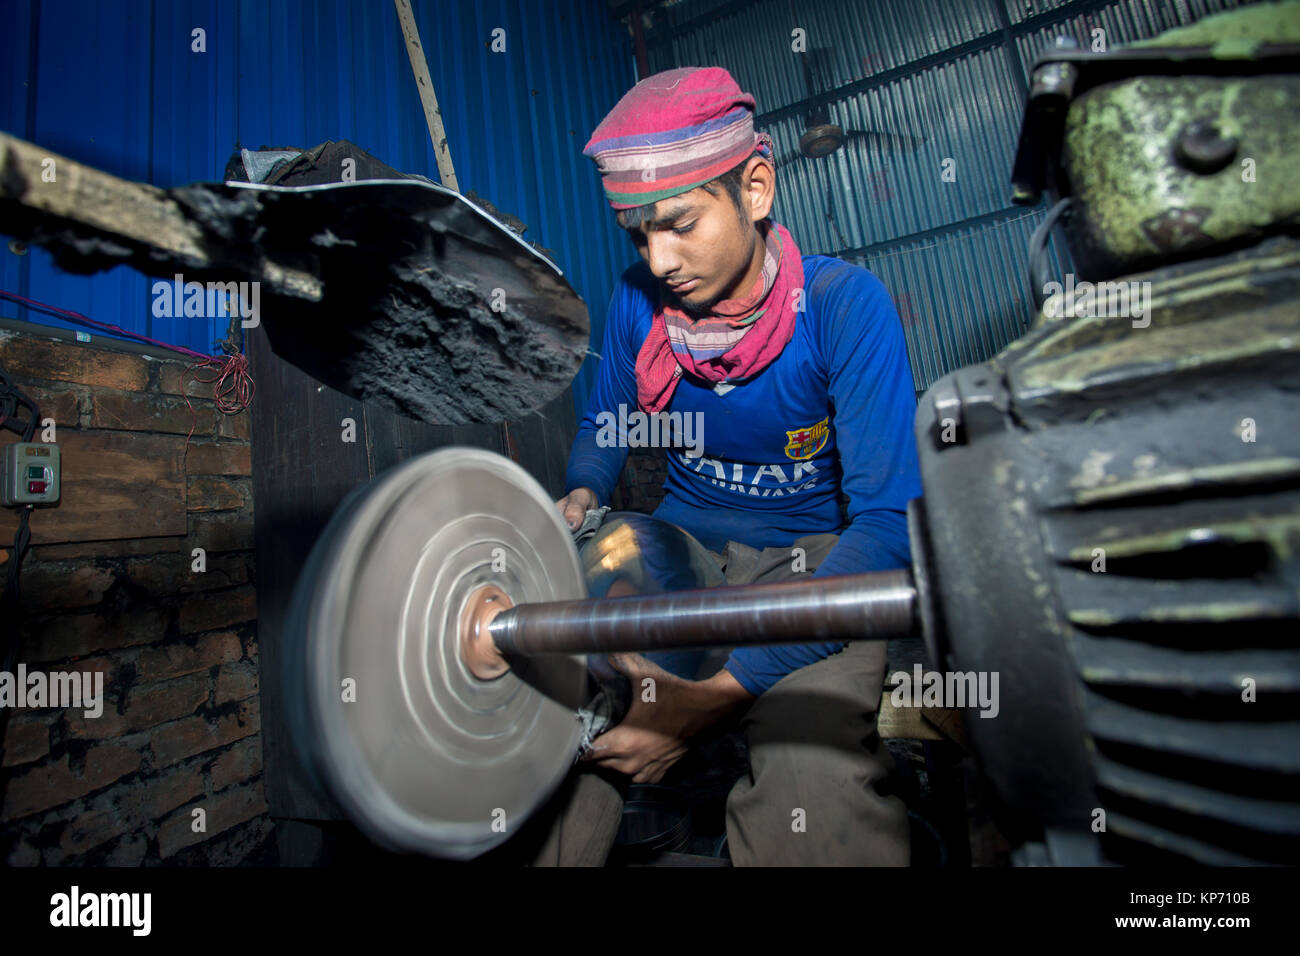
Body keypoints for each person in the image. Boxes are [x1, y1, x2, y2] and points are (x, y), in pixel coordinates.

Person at [527, 66, 922, 866]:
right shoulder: (639, 302)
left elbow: (886, 525)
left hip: (817, 565)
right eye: (639, 234)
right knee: (570, 733)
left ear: (757, 186)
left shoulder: (846, 309)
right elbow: (610, 421)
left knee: (814, 779)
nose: (659, 257)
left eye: (679, 224)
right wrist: (580, 491)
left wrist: (716, 697)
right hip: (682, 553)